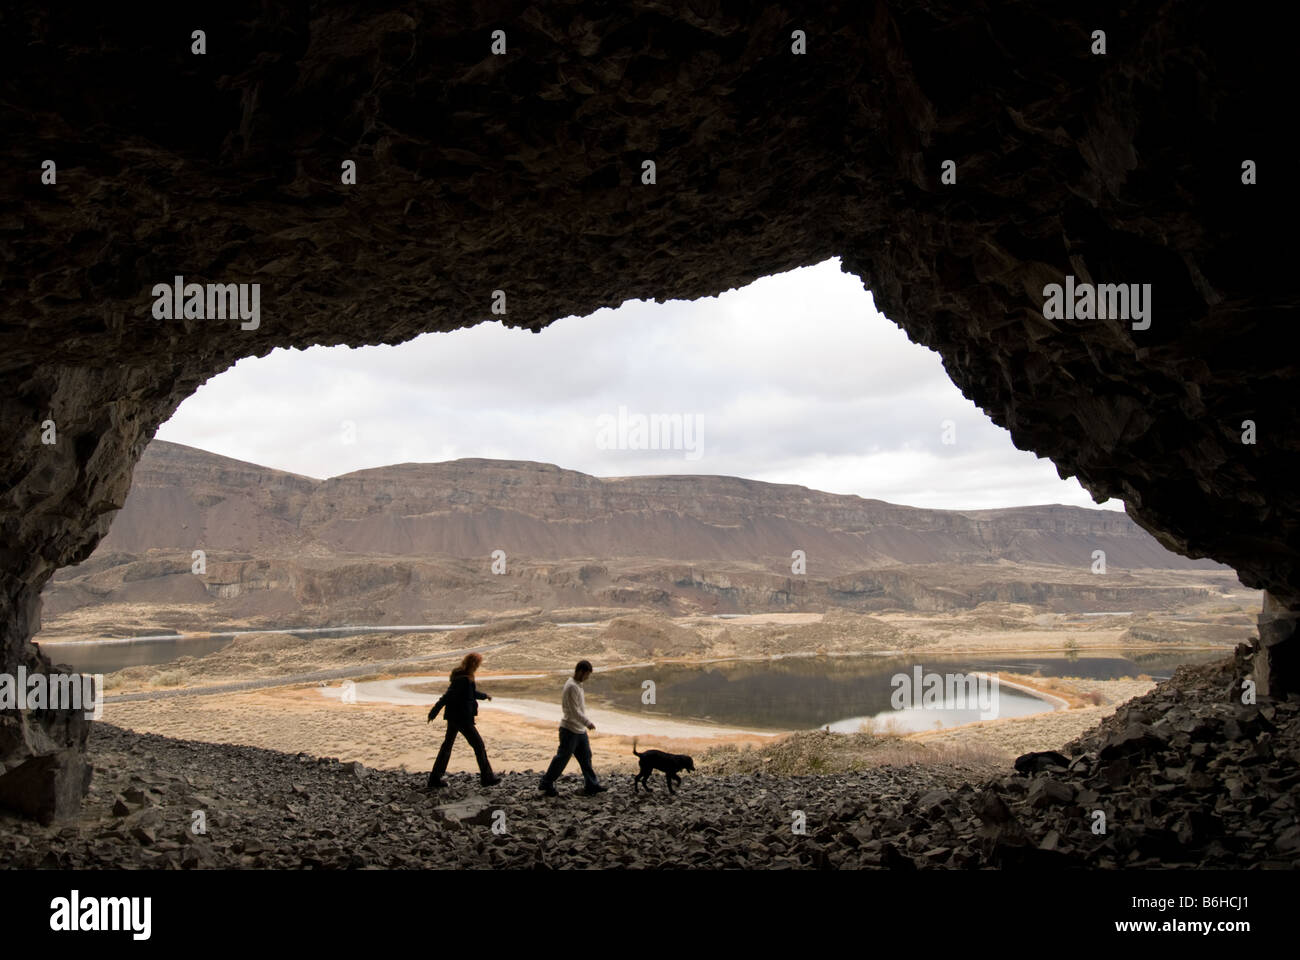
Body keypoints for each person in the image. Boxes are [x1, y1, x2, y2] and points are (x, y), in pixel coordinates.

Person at [426, 652, 500, 790]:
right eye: (478, 663)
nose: (479, 666)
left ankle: (435, 779)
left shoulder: (465, 678)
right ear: (473, 663)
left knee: (447, 746)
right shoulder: (463, 679)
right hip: (462, 718)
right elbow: (447, 696)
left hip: (456, 717)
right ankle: (487, 778)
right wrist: (434, 712)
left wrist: (484, 696)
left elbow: (470, 694)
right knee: (478, 745)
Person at [538, 659, 607, 797]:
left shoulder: (577, 685)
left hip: (579, 730)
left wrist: (584, 725)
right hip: (570, 729)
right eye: (587, 674)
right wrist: (588, 723)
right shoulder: (572, 687)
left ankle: (592, 785)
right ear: (581, 672)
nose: (587, 678)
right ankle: (546, 783)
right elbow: (574, 711)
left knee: (586, 757)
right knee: (562, 758)